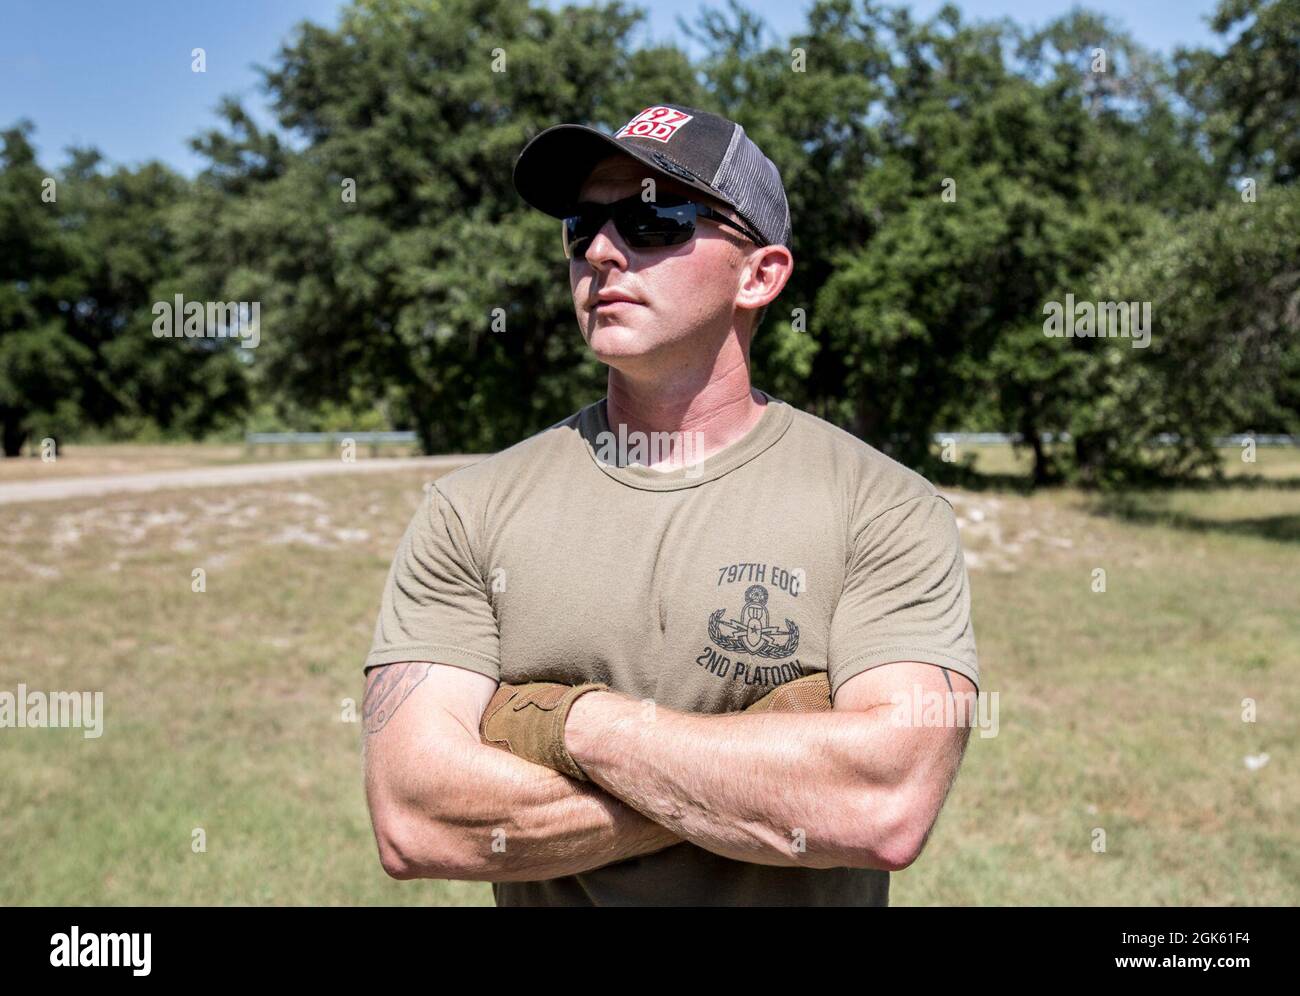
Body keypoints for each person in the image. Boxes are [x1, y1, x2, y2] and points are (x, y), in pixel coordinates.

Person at [361, 103, 980, 906]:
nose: (604, 253)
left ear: (760, 276)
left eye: (655, 219)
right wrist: (774, 756)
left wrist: (562, 725)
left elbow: (882, 806)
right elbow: (414, 819)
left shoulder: (886, 508)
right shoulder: (469, 510)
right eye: (582, 227)